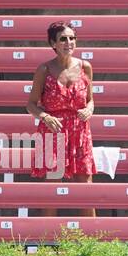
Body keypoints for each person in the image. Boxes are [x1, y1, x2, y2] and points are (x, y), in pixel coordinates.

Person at [25, 21, 96, 218]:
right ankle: (47, 240)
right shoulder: (44, 70)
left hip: (80, 131)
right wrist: (45, 116)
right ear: (53, 43)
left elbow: (90, 101)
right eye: (63, 39)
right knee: (51, 186)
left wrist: (89, 109)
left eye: (72, 38)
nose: (69, 42)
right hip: (52, 130)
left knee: (85, 186)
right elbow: (31, 104)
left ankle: (91, 241)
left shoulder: (86, 67)